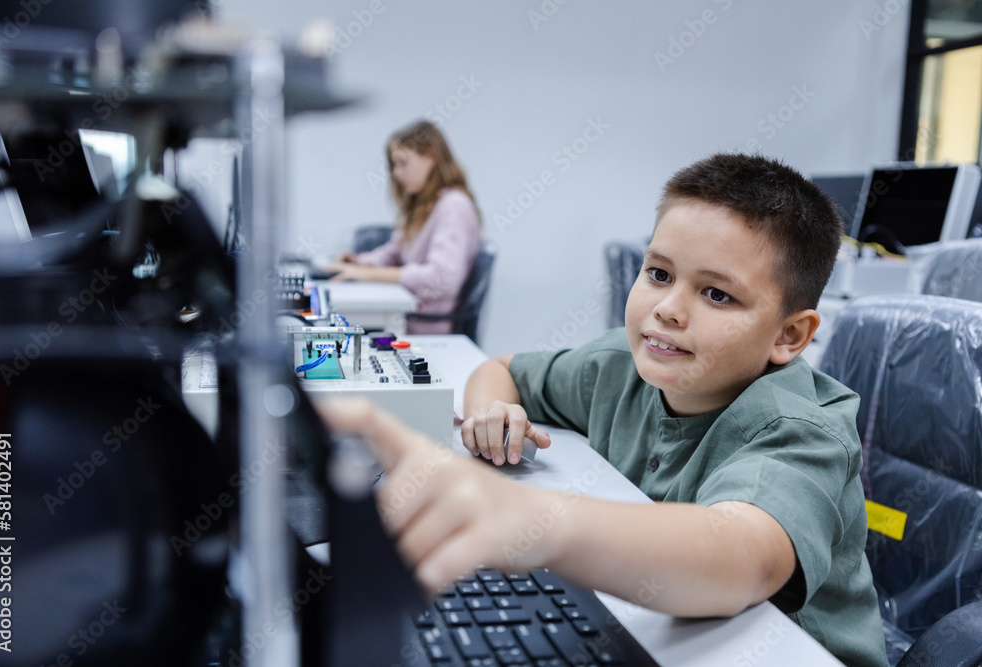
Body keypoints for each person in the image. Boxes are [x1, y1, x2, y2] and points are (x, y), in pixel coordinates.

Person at [320, 154, 888, 667]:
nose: (666, 309)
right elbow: (503, 369)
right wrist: (492, 411)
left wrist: (532, 520)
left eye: (716, 294)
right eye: (659, 274)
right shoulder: (623, 361)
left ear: (789, 335)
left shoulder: (800, 430)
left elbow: (743, 557)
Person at [324, 120, 481, 334]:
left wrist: (368, 275)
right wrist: (361, 262)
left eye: (402, 163)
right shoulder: (425, 206)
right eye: (394, 165)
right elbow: (395, 252)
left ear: (431, 156)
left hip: (423, 327)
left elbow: (443, 279)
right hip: (403, 317)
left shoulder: (453, 206)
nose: (396, 173)